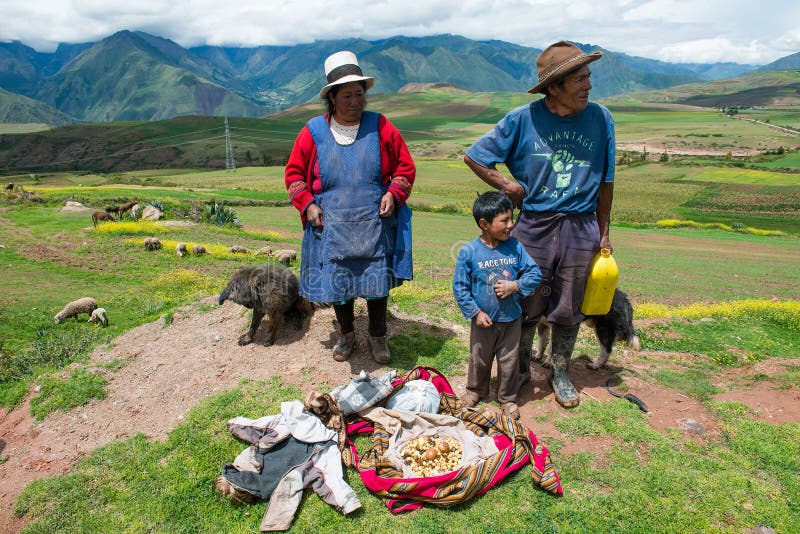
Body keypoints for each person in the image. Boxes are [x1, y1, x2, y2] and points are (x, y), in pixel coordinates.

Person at [463, 41, 615, 408]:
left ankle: (559, 373)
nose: (588, 86)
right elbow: (475, 156)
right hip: (533, 225)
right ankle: (520, 371)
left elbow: (607, 180)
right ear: (555, 86)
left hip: (581, 225)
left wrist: (604, 231)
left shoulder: (601, 118)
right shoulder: (522, 119)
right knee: (524, 301)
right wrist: (508, 186)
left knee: (570, 304)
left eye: (588, 77)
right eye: (580, 79)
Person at [285, 50, 415, 364]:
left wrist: (393, 194)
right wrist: (308, 204)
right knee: (338, 283)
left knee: (376, 283)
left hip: (374, 221)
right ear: (332, 97)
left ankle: (377, 336)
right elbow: (294, 175)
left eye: (359, 94)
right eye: (347, 96)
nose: (355, 101)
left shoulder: (380, 126)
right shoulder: (313, 132)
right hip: (330, 225)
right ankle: (346, 335)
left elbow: (405, 168)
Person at [452, 191, 542, 420]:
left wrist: (515, 285)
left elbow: (534, 274)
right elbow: (460, 287)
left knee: (509, 361)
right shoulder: (469, 252)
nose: (511, 225)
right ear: (485, 224)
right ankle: (475, 390)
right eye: (505, 220)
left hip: (511, 319)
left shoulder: (515, 247)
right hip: (484, 321)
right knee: (479, 358)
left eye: (512, 218)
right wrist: (475, 312)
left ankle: (507, 399)